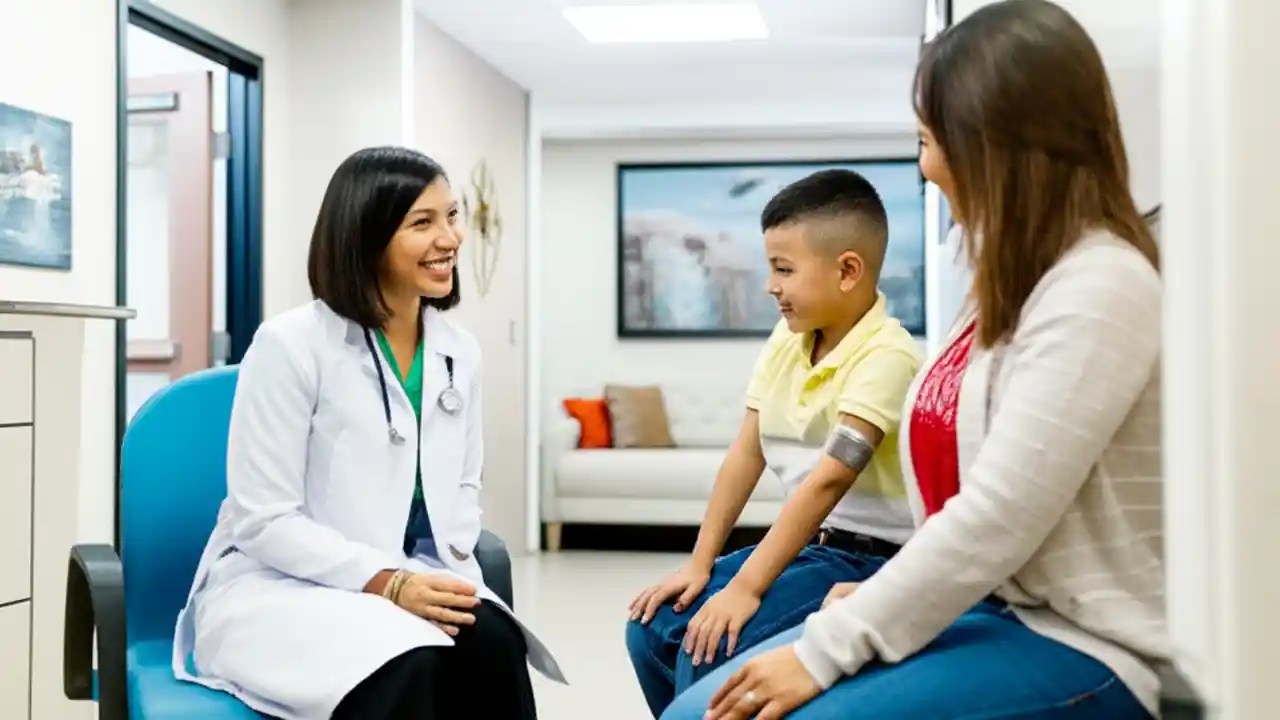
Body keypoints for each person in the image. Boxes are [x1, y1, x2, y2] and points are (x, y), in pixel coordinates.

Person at [663, 2, 1167, 718]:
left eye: (931, 141)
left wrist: (823, 649)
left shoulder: (1101, 286)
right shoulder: (1005, 287)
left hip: (1088, 640)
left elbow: (996, 515)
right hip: (999, 609)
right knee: (693, 708)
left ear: (992, 143)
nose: (925, 169)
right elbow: (965, 497)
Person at [171, 147, 557, 720]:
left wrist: (433, 578)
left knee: (493, 642)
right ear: (366, 237)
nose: (449, 238)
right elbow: (263, 520)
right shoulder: (291, 346)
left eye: (451, 216)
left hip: (406, 571)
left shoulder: (458, 352)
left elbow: (463, 489)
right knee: (407, 664)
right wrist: (388, 582)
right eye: (422, 223)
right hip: (282, 586)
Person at [625, 169, 924, 717]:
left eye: (783, 269)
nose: (770, 285)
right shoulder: (787, 341)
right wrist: (701, 563)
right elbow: (747, 452)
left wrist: (744, 588)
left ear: (847, 271)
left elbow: (830, 478)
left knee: (713, 647)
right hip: (823, 549)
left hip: (878, 565)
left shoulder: (889, 355)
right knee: (650, 629)